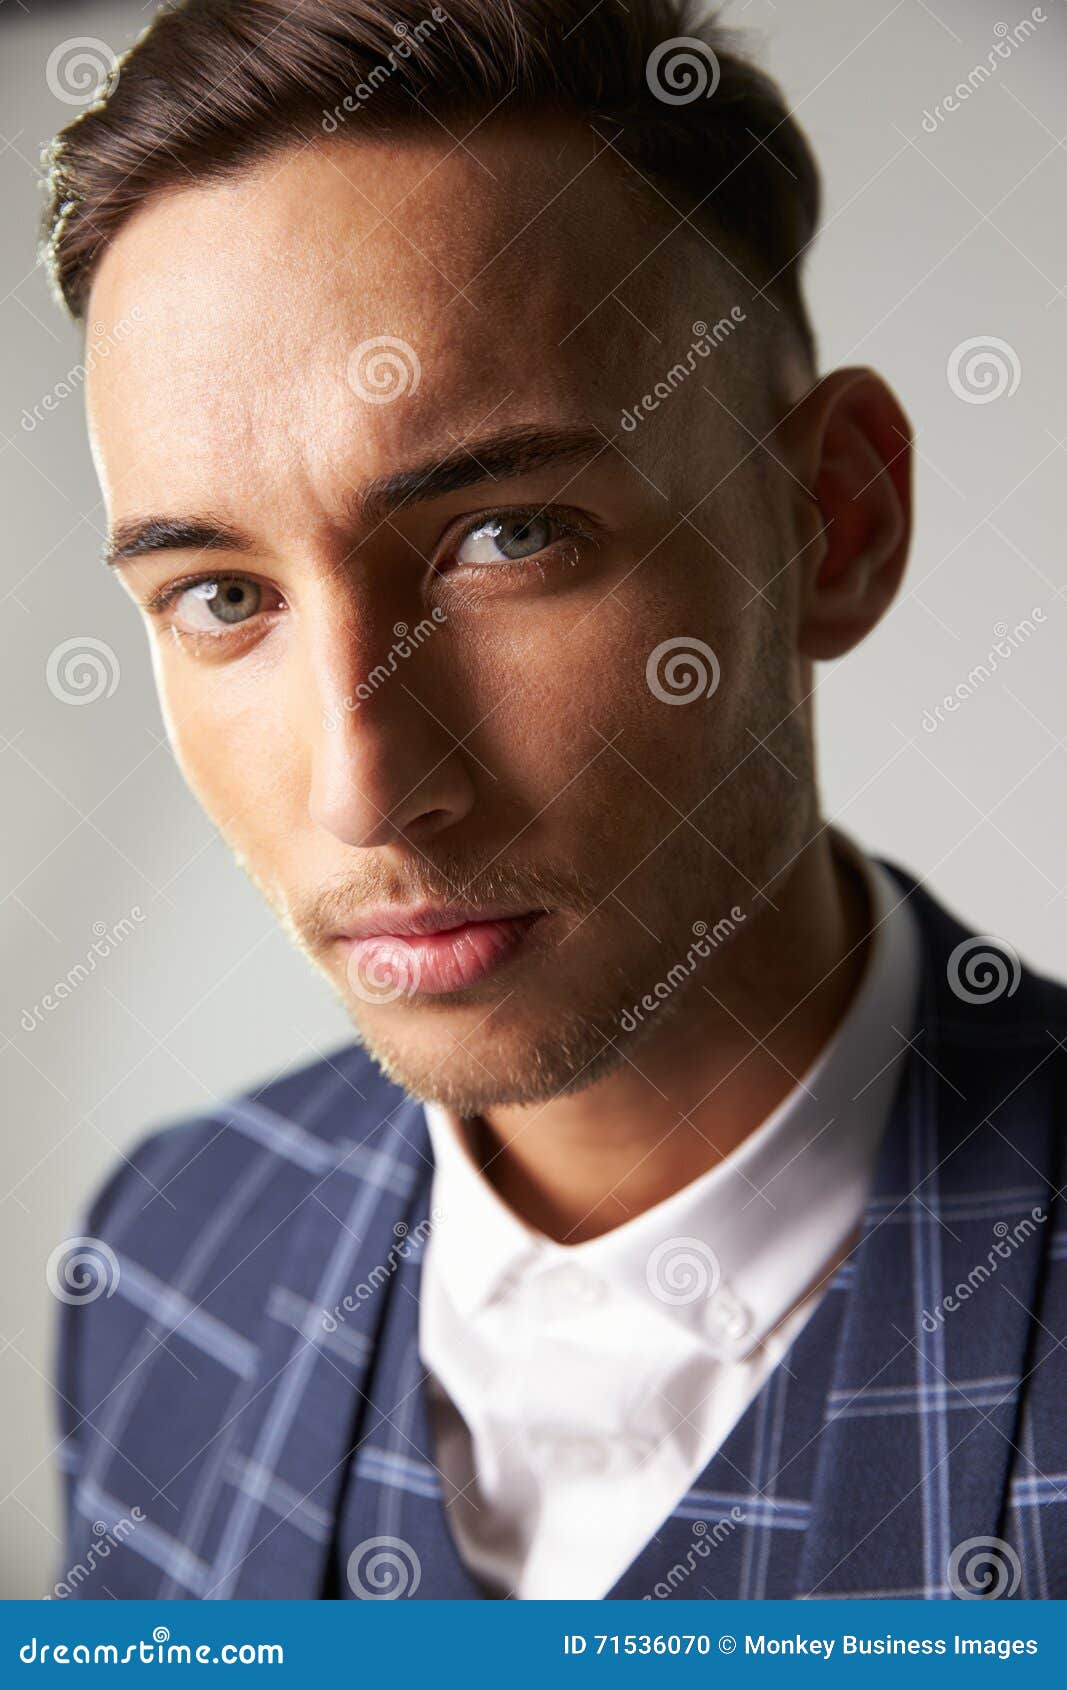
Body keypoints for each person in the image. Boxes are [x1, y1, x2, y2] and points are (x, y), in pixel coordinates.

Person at [43, 0, 1065, 1601]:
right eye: (222, 596)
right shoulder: (163, 1259)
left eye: (508, 537)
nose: (364, 784)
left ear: (835, 521)